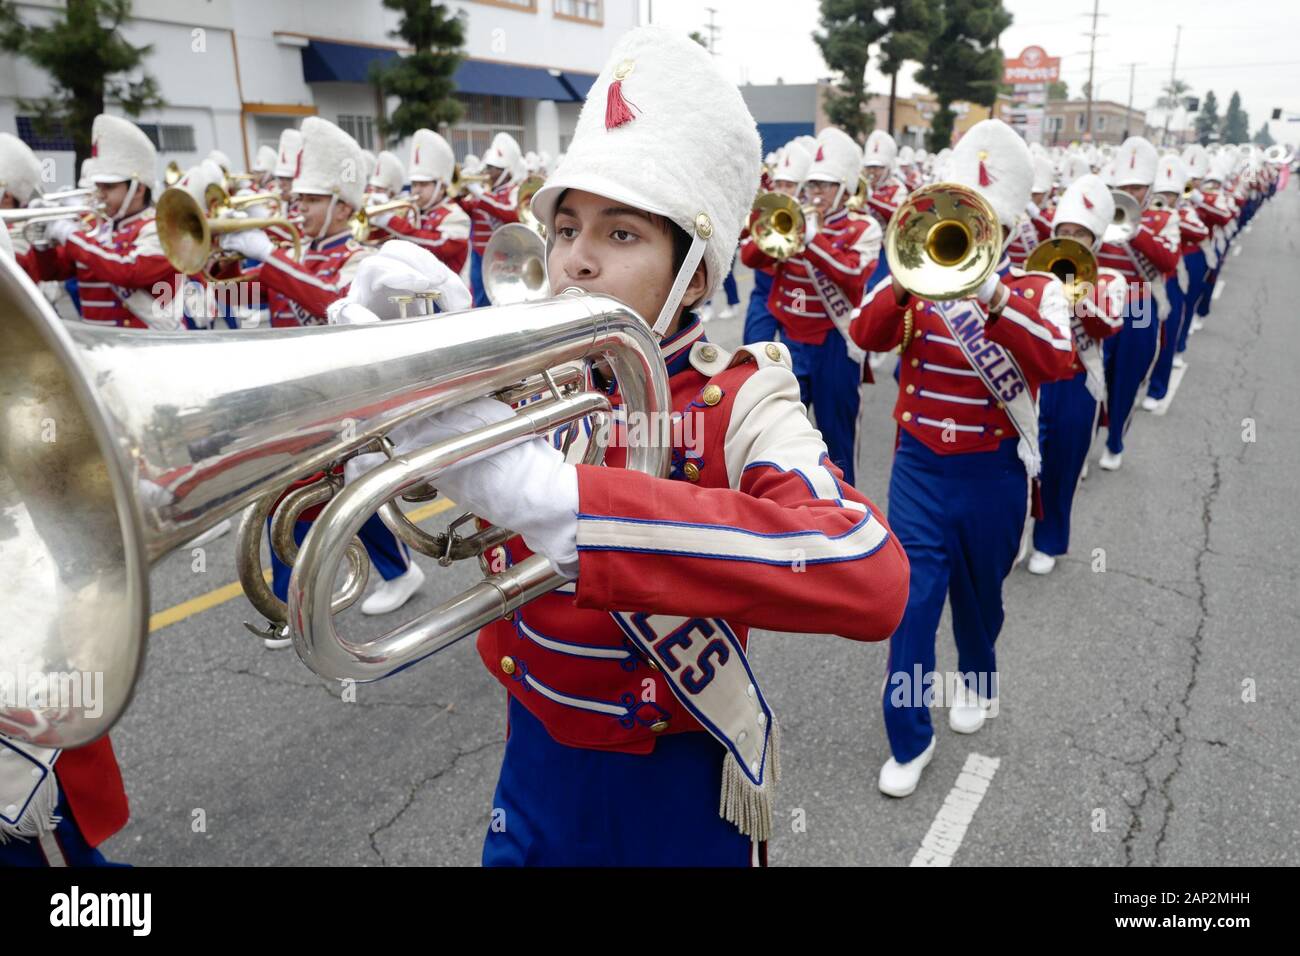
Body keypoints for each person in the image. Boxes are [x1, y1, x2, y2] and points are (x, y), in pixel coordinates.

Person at [332, 25, 910, 866]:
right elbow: (436, 517)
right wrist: (380, 406)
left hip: (672, 790)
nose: (577, 262)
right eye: (566, 229)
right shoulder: (533, 379)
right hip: (531, 760)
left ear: (697, 276)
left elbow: (870, 574)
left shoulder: (742, 397)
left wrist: (557, 503)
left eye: (622, 234)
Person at [850, 119, 1075, 797]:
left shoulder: (1037, 291)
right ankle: (910, 734)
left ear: (1005, 229)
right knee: (911, 603)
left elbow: (1056, 359)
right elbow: (864, 332)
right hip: (919, 466)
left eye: (985, 225)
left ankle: (977, 677)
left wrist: (992, 295)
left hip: (993, 473)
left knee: (981, 599)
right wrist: (902, 283)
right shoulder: (915, 277)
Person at [217, 116, 426, 621]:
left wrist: (270, 258)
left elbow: (331, 298)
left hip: (341, 402)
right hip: (297, 397)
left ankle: (286, 604)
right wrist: (218, 268)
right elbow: (255, 290)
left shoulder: (360, 259)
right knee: (332, 496)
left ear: (340, 203)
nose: (298, 208)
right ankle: (399, 571)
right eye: (299, 200)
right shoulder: (296, 254)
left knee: (300, 496)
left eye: (309, 200)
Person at [739, 126, 882, 487]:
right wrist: (778, 225)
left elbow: (852, 273)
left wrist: (811, 236)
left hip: (835, 345)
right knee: (782, 436)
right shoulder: (794, 221)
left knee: (838, 441)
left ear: (844, 190)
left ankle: (847, 510)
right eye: (812, 184)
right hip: (790, 343)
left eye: (824, 185)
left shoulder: (862, 228)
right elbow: (751, 258)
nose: (814, 192)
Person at [1025, 175, 1127, 575]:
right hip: (1035, 384)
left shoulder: (1110, 280)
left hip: (1074, 386)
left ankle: (1048, 541)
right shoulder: (1036, 272)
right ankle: (1016, 532)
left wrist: (1075, 292)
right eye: (1063, 232)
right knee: (1023, 464)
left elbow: (1107, 326)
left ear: (1095, 241)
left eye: (1079, 234)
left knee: (1061, 467)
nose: (1070, 240)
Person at [25, 114, 180, 329]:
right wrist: (42, 244)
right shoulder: (96, 229)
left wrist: (69, 233)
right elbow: (53, 273)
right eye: (98, 187)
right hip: (101, 344)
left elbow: (128, 271)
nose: (99, 195)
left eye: (109, 187)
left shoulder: (162, 229)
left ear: (139, 189)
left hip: (147, 347)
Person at [1094, 136, 1180, 471]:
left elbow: (1169, 261)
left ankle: (1115, 440)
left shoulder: (1162, 220)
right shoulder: (1098, 215)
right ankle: (1086, 441)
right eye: (1125, 185)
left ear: (1150, 187)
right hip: (1097, 303)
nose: (1131, 191)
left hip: (1139, 307)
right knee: (1090, 377)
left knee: (1126, 377)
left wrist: (1133, 228)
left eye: (1139, 186)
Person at [1144, 155, 1206, 411]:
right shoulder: (1140, 215)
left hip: (1169, 285)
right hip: (1141, 285)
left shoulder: (1184, 213)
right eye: (1161, 192)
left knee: (1167, 335)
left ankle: (1157, 388)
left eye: (1170, 193)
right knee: (1141, 337)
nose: (1165, 198)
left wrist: (1175, 216)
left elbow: (1201, 232)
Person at [364, 128, 469, 274]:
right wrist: (372, 221)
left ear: (441, 187)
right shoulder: (410, 211)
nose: (417, 190)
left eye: (423, 184)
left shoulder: (457, 216)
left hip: (443, 293)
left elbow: (439, 246)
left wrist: (390, 221)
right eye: (414, 184)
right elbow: (382, 242)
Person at [742, 139, 812, 345]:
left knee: (795, 352)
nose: (782, 190)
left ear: (802, 188)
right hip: (765, 288)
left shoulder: (815, 217)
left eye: (789, 185)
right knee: (754, 348)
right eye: (779, 184)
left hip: (798, 293)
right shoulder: (767, 210)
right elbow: (748, 258)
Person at [457, 131, 524, 306]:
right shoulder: (488, 193)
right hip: (479, 254)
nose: (488, 172)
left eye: (492, 169)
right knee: (479, 299)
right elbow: (470, 210)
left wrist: (480, 192)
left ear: (505, 171)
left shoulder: (514, 190)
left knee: (501, 299)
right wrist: (457, 195)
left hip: (502, 255)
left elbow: (510, 213)